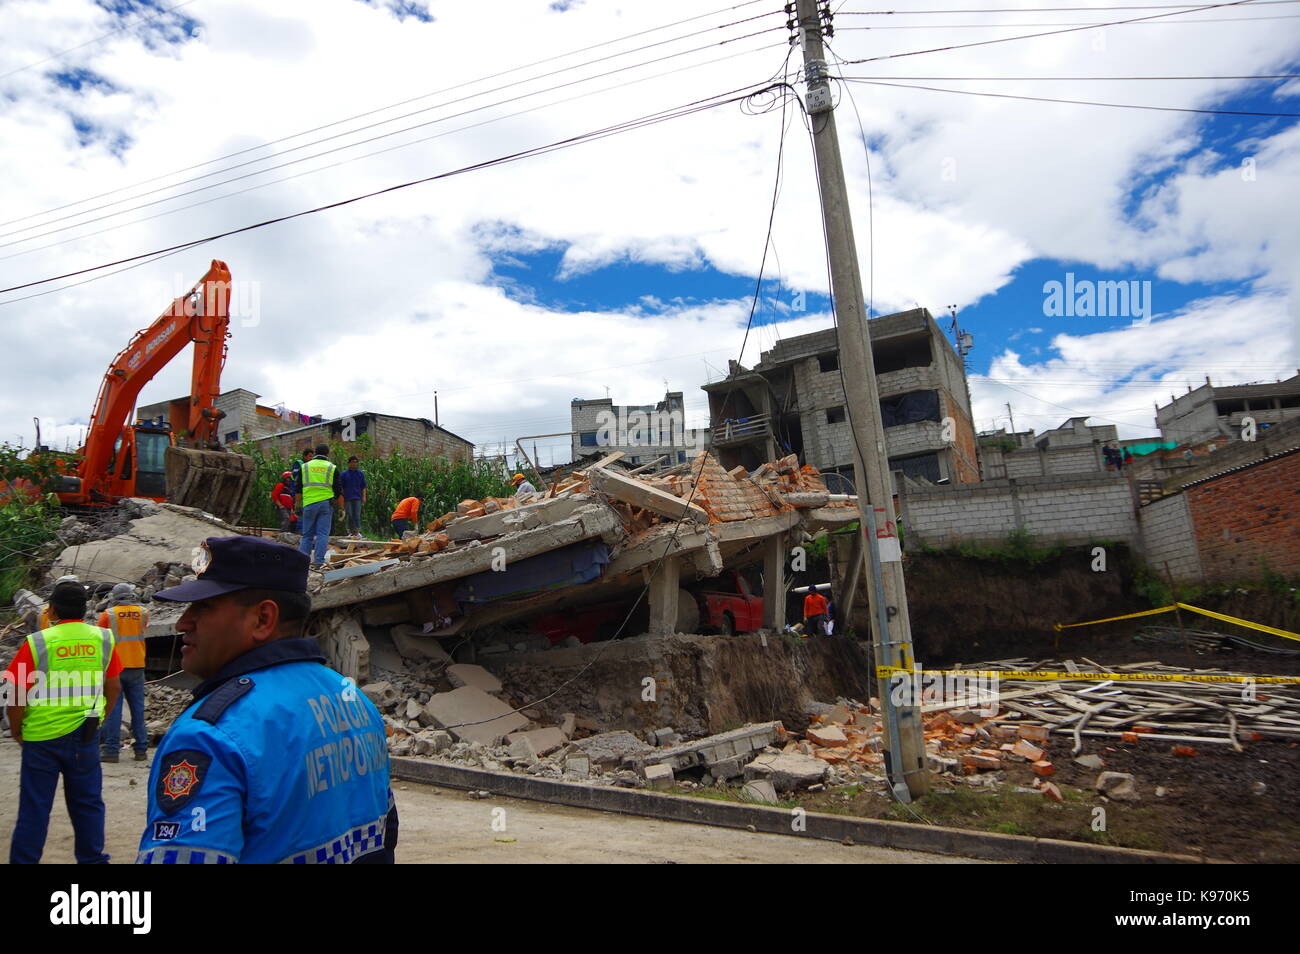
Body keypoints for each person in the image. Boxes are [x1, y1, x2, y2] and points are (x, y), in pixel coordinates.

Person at [135, 536, 397, 864]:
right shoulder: (355, 702)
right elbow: (386, 835)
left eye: (203, 607)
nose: (182, 622)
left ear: (262, 619)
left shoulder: (209, 737)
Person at [5, 579, 122, 864]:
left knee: (34, 808)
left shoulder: (38, 642)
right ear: (84, 609)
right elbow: (114, 685)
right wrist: (101, 717)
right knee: (88, 804)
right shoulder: (103, 638)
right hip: (85, 733)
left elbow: (16, 692)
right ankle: (92, 860)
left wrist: (18, 728)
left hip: (41, 739)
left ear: (52, 610)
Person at [98, 583, 149, 763]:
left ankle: (111, 751)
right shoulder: (144, 612)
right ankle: (141, 750)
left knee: (113, 710)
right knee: (138, 710)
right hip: (137, 665)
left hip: (115, 668)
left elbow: (101, 638)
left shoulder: (107, 615)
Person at [295, 443, 342, 568]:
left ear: (315, 453)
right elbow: (338, 491)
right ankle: (318, 562)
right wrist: (342, 508)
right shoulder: (332, 467)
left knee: (307, 535)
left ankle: (302, 562)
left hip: (309, 504)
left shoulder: (304, 467)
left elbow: (298, 488)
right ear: (327, 454)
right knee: (322, 534)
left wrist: (297, 505)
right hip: (325, 504)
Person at [339, 456, 367, 538]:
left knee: (357, 515)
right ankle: (350, 532)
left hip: (357, 497)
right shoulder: (344, 474)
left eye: (355, 462)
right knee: (349, 515)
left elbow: (363, 486)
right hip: (347, 498)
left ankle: (357, 531)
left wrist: (364, 496)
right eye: (352, 462)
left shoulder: (360, 474)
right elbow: (341, 487)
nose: (354, 464)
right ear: (348, 463)